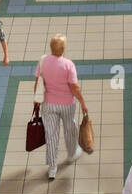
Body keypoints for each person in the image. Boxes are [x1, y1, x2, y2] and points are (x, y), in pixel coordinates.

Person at [34, 34, 90, 181]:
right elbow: (74, 87)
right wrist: (82, 102)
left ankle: (52, 168)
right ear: (63, 49)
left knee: (51, 135)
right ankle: (72, 154)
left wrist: (36, 101)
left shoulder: (43, 61)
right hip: (66, 104)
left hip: (49, 104)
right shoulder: (68, 65)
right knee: (70, 128)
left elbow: (38, 83)